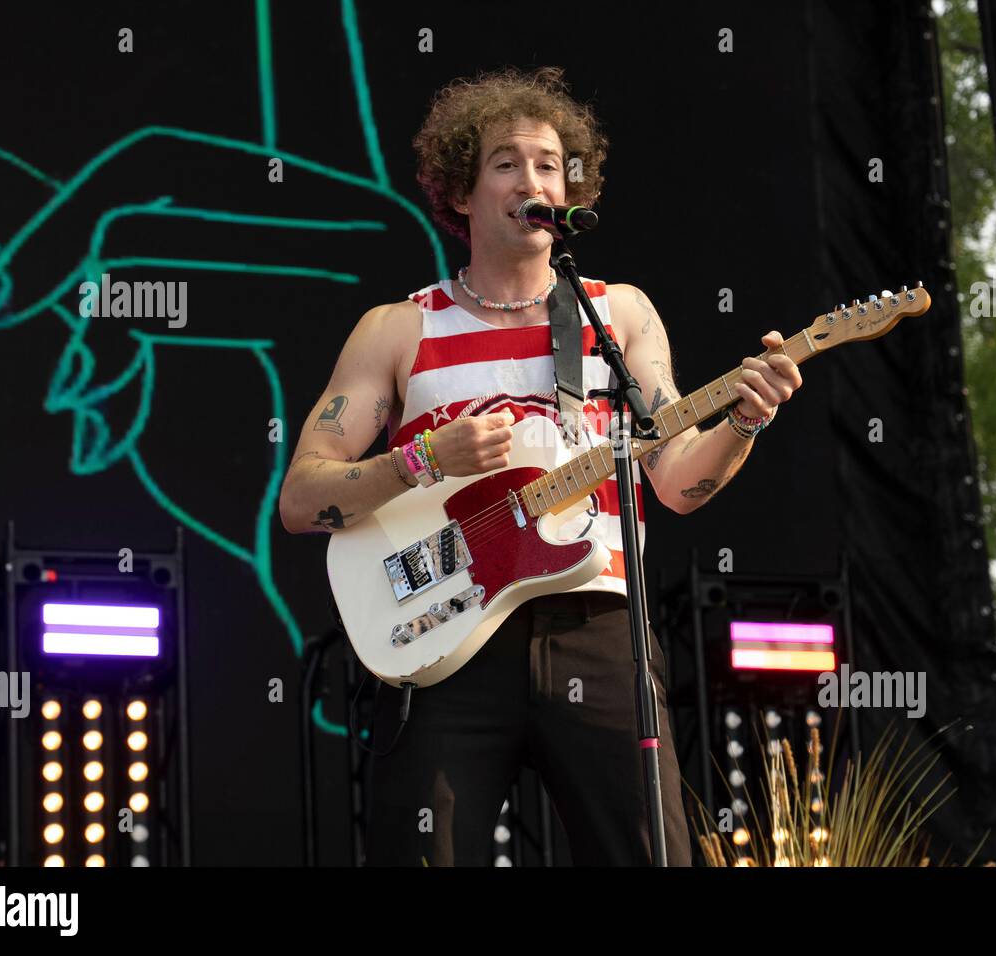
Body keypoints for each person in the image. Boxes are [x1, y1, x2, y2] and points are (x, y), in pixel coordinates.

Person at [278, 66, 802, 865]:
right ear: (460, 191)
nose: (535, 179)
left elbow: (676, 482)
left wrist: (745, 420)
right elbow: (302, 497)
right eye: (508, 163)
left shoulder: (616, 314)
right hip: (446, 641)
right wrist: (420, 459)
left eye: (552, 166)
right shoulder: (397, 329)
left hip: (600, 628)